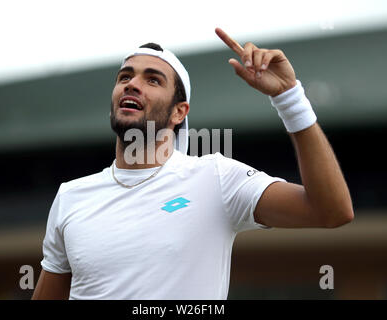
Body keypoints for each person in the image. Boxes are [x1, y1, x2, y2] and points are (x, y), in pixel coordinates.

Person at [31, 28, 354, 300]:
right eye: (125, 77)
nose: (132, 84)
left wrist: (289, 98)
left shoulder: (216, 177)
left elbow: (331, 212)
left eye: (153, 80)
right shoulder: (71, 195)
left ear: (179, 112)